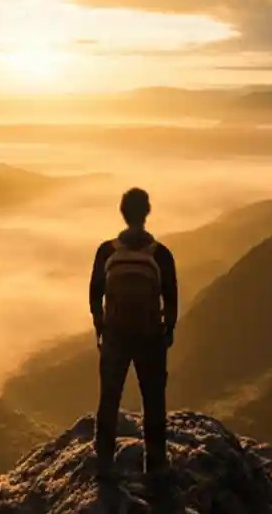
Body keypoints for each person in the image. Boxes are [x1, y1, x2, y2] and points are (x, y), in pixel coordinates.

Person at [89, 187, 178, 480]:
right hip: (149, 338)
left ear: (123, 213)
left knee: (109, 400)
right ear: (147, 213)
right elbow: (171, 298)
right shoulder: (161, 255)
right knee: (153, 402)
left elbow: (94, 294)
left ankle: (103, 465)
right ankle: (154, 468)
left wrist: (101, 326)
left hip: (115, 336)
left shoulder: (107, 251)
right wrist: (167, 332)